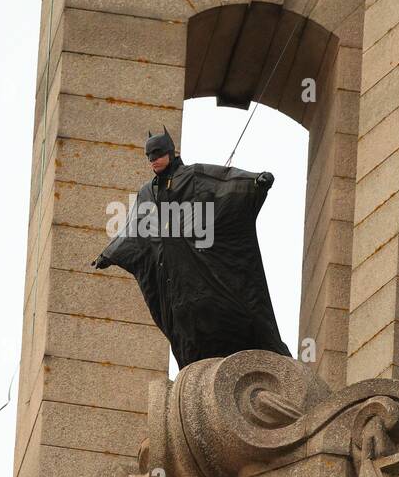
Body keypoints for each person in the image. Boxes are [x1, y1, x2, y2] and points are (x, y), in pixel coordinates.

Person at [92, 127, 291, 369]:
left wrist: (256, 183)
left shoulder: (193, 175)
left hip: (202, 261)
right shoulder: (148, 192)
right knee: (183, 325)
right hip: (173, 278)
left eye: (157, 155)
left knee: (234, 306)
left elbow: (225, 180)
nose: (153, 161)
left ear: (170, 152)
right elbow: (135, 226)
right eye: (149, 157)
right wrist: (110, 253)